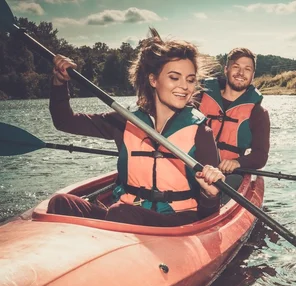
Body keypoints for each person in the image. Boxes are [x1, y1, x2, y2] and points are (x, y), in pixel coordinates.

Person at [46, 28, 225, 227]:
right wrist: (59, 83)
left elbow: (210, 214)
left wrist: (210, 193)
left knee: (121, 213)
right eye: (175, 77)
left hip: (176, 221)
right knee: (61, 202)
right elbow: (64, 121)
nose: (185, 86)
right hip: (126, 211)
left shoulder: (200, 131)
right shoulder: (126, 121)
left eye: (190, 80)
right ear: (153, 80)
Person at [197, 48, 270, 177]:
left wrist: (237, 162)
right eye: (236, 67)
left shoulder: (258, 113)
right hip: (194, 167)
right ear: (226, 69)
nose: (241, 73)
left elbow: (260, 156)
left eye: (247, 69)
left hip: (227, 176)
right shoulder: (200, 97)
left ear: (253, 74)